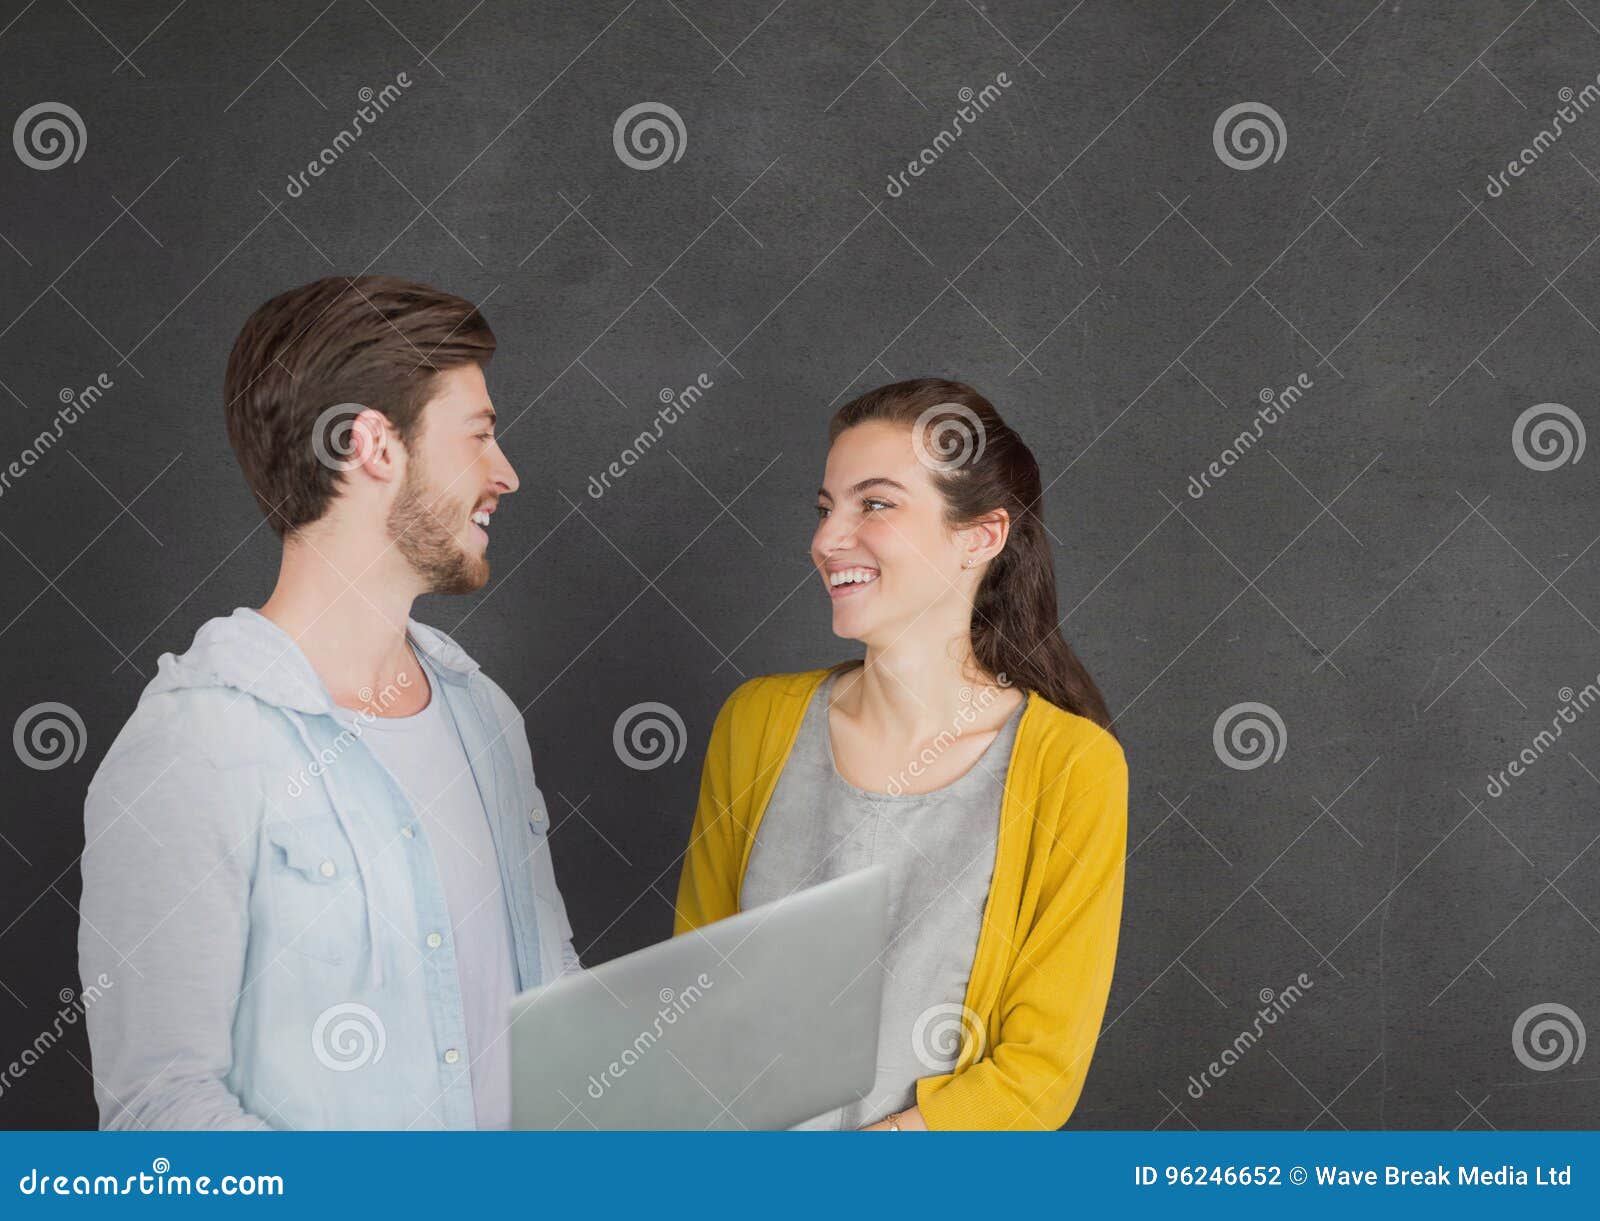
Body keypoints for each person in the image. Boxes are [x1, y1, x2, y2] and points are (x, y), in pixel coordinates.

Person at [78, 275, 578, 1130]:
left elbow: (552, 1009)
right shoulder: (194, 747)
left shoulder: (487, 715)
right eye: (479, 436)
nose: (506, 474)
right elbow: (157, 1111)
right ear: (373, 444)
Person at [674, 378, 1128, 1131]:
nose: (826, 539)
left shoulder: (1073, 768)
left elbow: (1039, 1071)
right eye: (826, 508)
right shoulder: (756, 722)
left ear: (981, 536)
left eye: (874, 503)